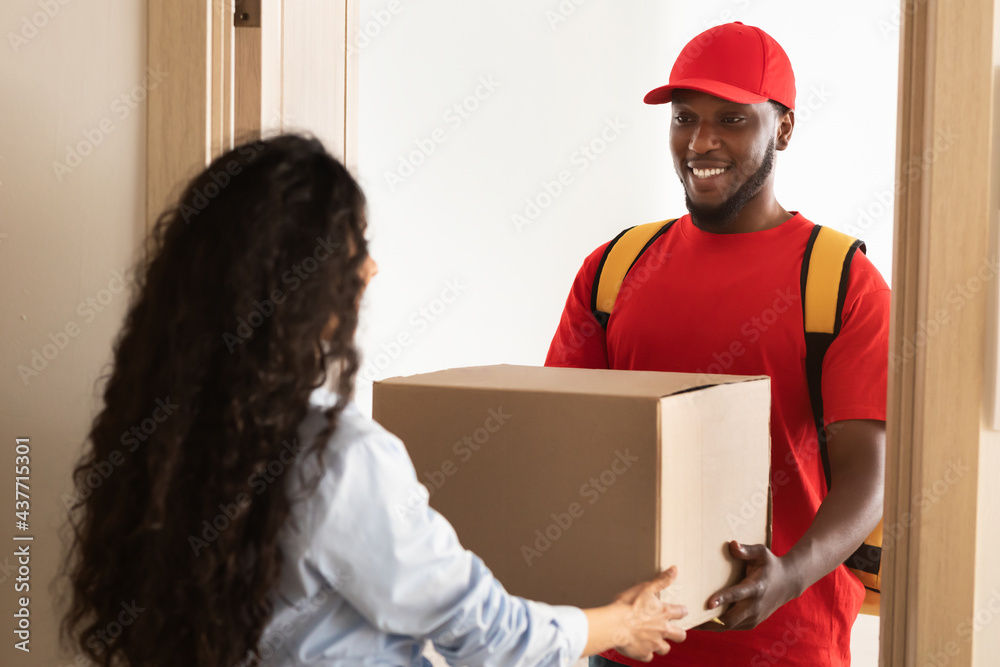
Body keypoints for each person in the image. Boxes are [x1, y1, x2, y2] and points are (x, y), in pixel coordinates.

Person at [59, 134, 688, 667]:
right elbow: (481, 631)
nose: (372, 269)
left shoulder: (156, 432)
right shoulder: (337, 458)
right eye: (356, 244)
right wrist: (619, 624)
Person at [544, 22, 889, 667]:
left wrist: (788, 575)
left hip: (786, 647)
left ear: (782, 129)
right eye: (685, 118)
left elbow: (869, 473)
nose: (701, 142)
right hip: (628, 648)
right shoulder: (613, 269)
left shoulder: (838, 279)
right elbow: (568, 437)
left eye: (731, 119)